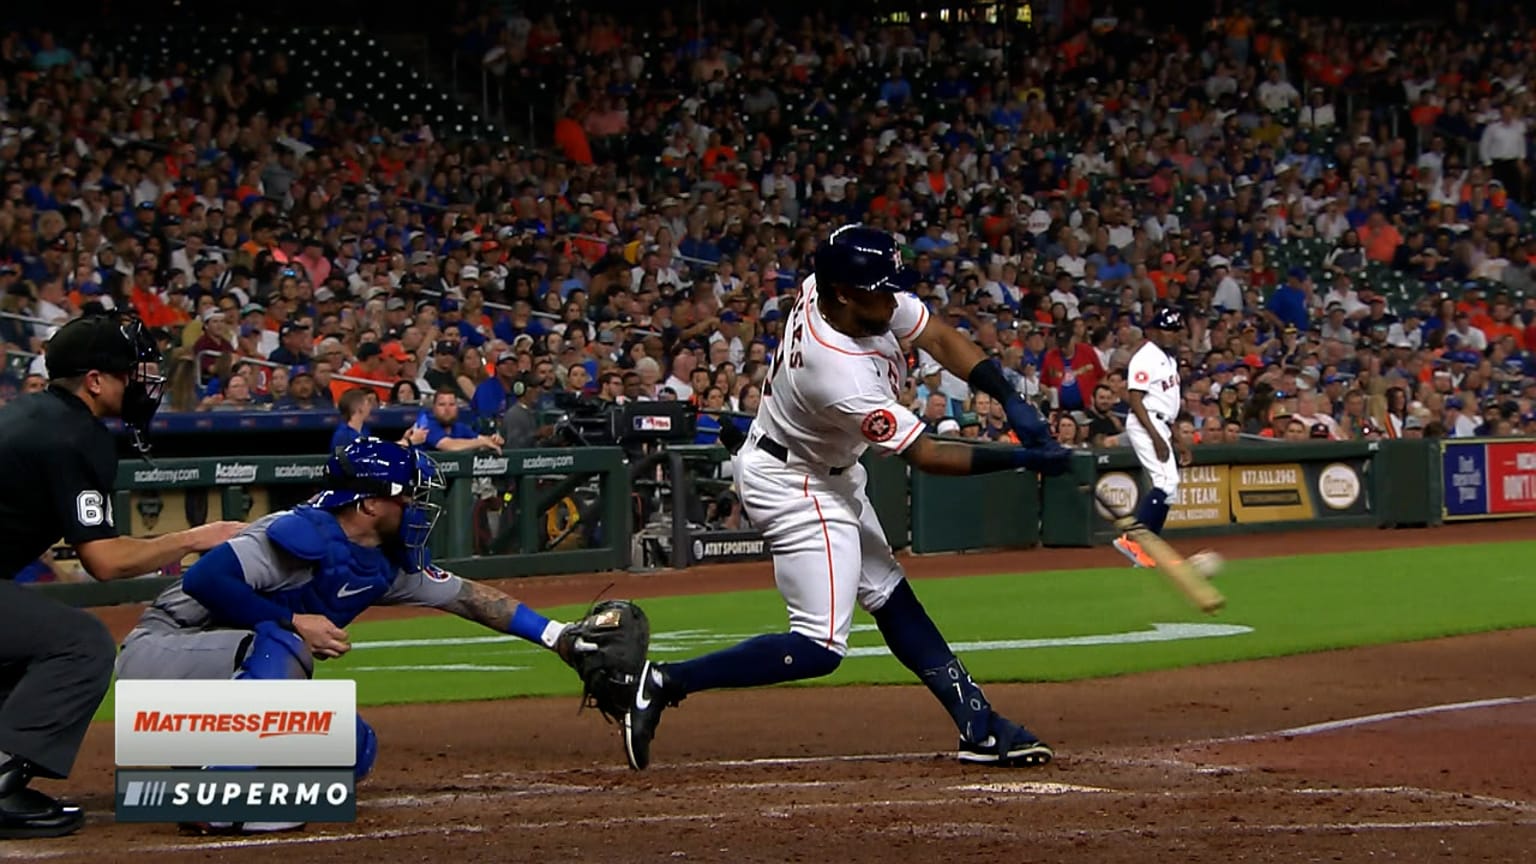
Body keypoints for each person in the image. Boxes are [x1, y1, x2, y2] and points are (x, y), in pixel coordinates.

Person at [621, 225, 1071, 771]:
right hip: (794, 483)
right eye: (880, 289)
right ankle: (663, 682)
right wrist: (1026, 458)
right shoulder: (837, 371)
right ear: (842, 292)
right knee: (818, 646)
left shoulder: (844, 295)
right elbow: (926, 456)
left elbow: (937, 336)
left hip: (819, 465)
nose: (893, 298)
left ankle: (976, 724)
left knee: (890, 594)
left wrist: (1008, 396)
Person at [115, 438, 625, 835]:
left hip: (205, 695)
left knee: (352, 748)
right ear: (368, 505)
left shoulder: (379, 563)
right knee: (286, 642)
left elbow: (470, 598)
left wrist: (560, 637)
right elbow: (205, 579)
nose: (417, 508)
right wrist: (294, 622)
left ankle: (223, 778)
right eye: (407, 497)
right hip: (156, 661)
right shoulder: (293, 535)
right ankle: (222, 791)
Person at [0, 314, 244, 839]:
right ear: (94, 380)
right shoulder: (74, 435)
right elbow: (105, 561)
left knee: (22, 646)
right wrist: (194, 537)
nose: (143, 383)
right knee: (82, 644)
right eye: (131, 372)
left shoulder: (31, 413)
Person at [1112, 308, 1191, 568]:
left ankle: (1146, 548)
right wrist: (1156, 437)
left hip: (1162, 422)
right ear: (1154, 331)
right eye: (1168, 329)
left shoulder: (1169, 358)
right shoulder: (1145, 357)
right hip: (1146, 422)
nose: (1173, 335)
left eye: (1176, 330)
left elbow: (1170, 405)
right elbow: (1135, 399)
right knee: (1165, 482)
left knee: (1170, 488)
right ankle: (1132, 541)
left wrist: (1177, 439)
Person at [414, 391, 504, 453]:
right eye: (442, 405)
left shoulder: (459, 427)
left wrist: (493, 440)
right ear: (434, 408)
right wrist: (482, 442)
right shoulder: (427, 425)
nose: (447, 409)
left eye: (451, 405)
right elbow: (450, 445)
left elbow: (480, 438)